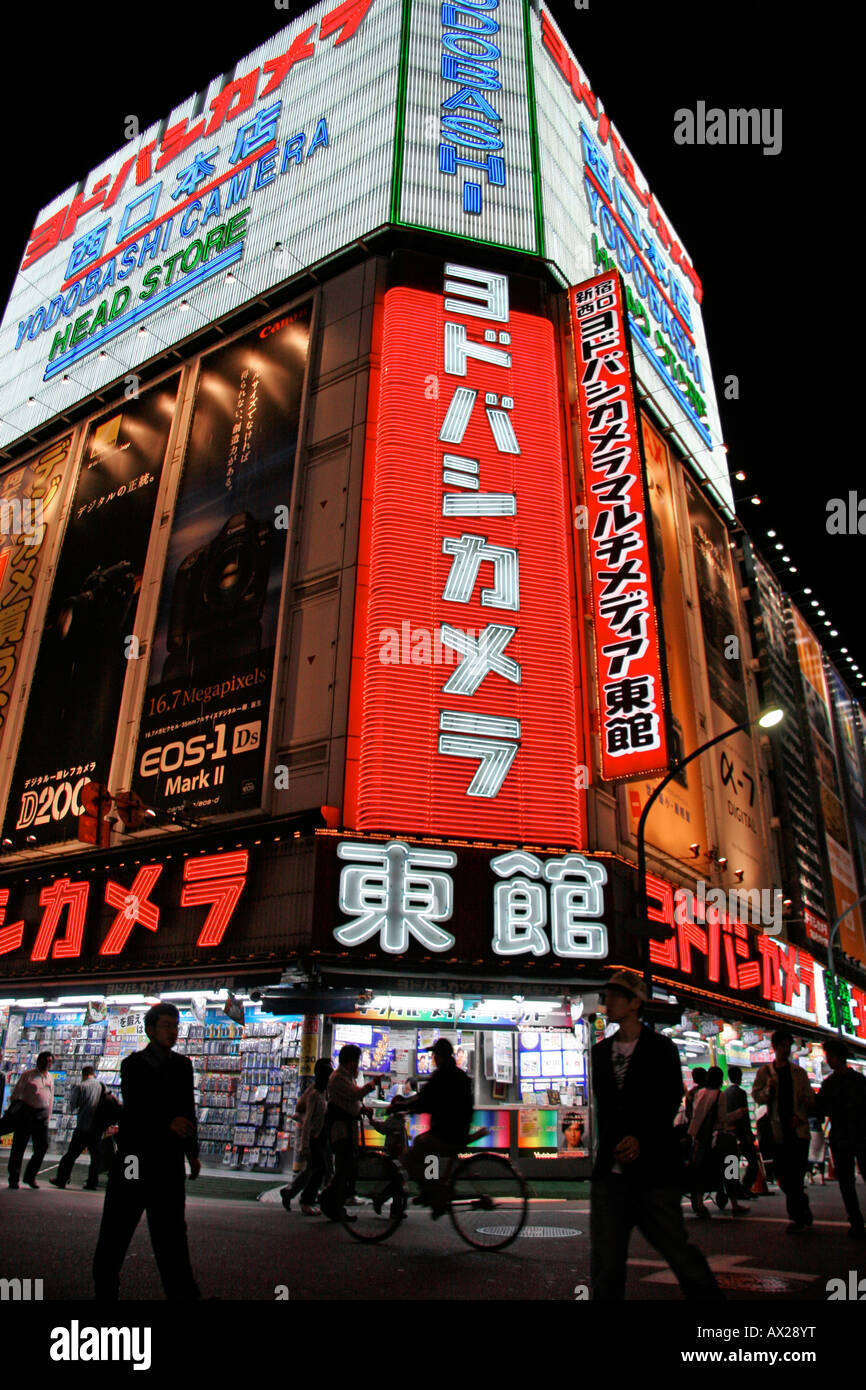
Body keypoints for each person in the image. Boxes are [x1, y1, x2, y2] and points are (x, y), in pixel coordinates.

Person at [590, 972, 721, 1301]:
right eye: (608, 994)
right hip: (611, 1176)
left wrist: (641, 1140)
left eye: (618, 995)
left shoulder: (661, 1049)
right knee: (606, 1264)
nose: (610, 1001)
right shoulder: (599, 1053)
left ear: (636, 1003)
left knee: (678, 1251)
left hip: (653, 1174)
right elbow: (606, 1111)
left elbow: (667, 1101)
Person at [92, 1003, 201, 1300]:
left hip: (167, 1160)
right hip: (134, 1158)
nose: (173, 1031)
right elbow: (138, 1108)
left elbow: (187, 1110)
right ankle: (105, 1291)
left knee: (172, 1235)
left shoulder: (183, 1065)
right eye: (166, 1026)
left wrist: (192, 1152)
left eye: (176, 1026)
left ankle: (184, 1294)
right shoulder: (132, 1065)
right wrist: (168, 1122)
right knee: (117, 1229)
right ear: (150, 1030)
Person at [390, 1037, 473, 1216]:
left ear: (440, 1056)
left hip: (447, 1133)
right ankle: (431, 1190)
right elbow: (428, 1100)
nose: (433, 1058)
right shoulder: (459, 1075)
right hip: (457, 1131)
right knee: (429, 1151)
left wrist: (402, 1106)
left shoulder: (442, 1075)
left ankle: (430, 1190)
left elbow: (424, 1099)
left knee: (414, 1151)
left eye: (434, 1054)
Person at [752, 1027, 814, 1233]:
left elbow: (809, 1099)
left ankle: (797, 1218)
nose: (786, 1049)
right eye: (782, 1045)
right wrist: (769, 1088)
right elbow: (757, 1096)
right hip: (777, 1132)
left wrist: (801, 1115)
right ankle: (801, 1204)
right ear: (775, 1047)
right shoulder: (765, 1072)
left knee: (795, 1175)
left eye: (789, 1046)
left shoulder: (799, 1073)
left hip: (798, 1131)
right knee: (785, 1178)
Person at [318, 1044, 376, 1223]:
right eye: (357, 1060)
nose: (358, 1065)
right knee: (344, 1166)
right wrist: (372, 1084)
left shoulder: (346, 1077)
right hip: (340, 1130)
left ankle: (336, 1204)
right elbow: (353, 1095)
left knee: (346, 1166)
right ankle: (330, 1200)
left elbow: (350, 1101)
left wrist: (361, 1111)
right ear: (351, 1061)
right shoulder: (338, 1078)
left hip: (346, 1128)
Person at [815, 1039, 866, 1240]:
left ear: (836, 1058)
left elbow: (821, 1109)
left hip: (842, 1137)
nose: (828, 1060)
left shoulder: (830, 1084)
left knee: (847, 1182)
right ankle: (855, 1221)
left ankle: (856, 1222)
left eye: (829, 1056)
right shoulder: (860, 1081)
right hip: (861, 1135)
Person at [280, 1058, 333, 1215]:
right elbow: (308, 1120)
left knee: (313, 1169)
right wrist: (304, 1144)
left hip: (320, 1136)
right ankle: (306, 1200)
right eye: (326, 1073)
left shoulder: (324, 1092)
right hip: (313, 1138)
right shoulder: (314, 1094)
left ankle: (290, 1192)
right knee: (319, 1169)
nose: (328, 1077)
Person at [50, 1065, 104, 1190]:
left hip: (83, 1126)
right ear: (93, 1074)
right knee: (96, 1157)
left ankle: (62, 1178)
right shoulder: (101, 1086)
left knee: (71, 1155)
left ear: (83, 1075)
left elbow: (73, 1106)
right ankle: (92, 1182)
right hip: (96, 1127)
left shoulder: (80, 1086)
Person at [7, 1050, 55, 1189]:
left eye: (50, 1062)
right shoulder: (28, 1075)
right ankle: (14, 1178)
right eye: (46, 1061)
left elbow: (50, 1098)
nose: (48, 1064)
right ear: (39, 1061)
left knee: (42, 1147)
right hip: (26, 1114)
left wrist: (48, 1116)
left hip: (42, 1116)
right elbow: (16, 1094)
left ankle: (30, 1176)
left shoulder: (49, 1078)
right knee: (19, 1147)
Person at [725, 1065, 759, 1194]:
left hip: (729, 1134)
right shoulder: (741, 1093)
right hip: (741, 1134)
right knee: (753, 1162)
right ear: (740, 1077)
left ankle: (733, 1190)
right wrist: (748, 1133)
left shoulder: (725, 1093)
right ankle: (745, 1187)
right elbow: (744, 1117)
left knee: (732, 1162)